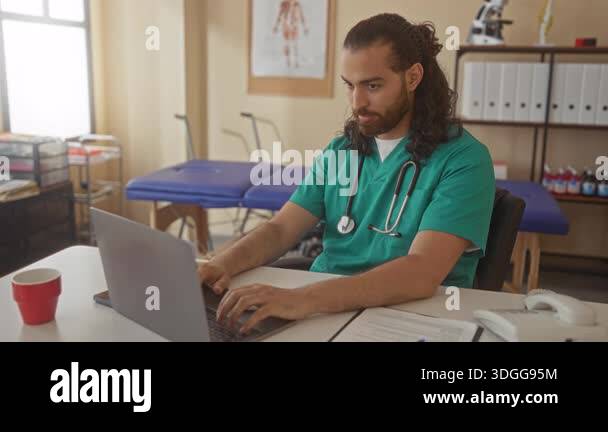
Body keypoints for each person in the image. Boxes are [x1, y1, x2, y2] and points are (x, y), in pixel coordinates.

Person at [199, 13, 495, 335]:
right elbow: (281, 229)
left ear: (412, 78)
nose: (357, 102)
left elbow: (421, 272)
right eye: (350, 85)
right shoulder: (342, 151)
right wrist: (219, 265)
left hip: (406, 320)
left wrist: (302, 300)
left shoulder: (464, 160)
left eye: (373, 85)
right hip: (323, 311)